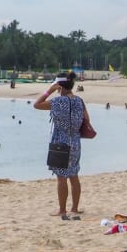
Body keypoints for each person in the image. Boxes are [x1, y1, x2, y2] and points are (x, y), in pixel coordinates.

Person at [34, 72, 89, 218]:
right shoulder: (79, 101)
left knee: (61, 177)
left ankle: (62, 210)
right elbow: (87, 119)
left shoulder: (58, 102)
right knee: (74, 175)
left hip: (60, 143)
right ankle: (75, 208)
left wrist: (49, 90)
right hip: (75, 142)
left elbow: (36, 104)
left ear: (59, 86)